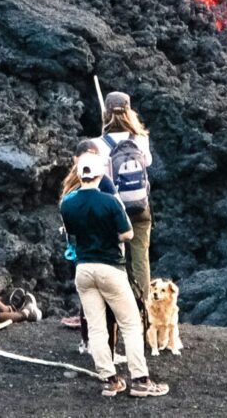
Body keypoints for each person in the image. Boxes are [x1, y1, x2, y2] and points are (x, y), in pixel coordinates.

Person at [62, 152, 168, 397]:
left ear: (79, 175)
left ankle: (110, 380)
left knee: (97, 327)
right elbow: (127, 234)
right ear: (100, 173)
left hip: (83, 270)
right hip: (110, 267)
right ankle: (140, 380)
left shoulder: (67, 202)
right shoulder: (111, 202)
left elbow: (71, 234)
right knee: (130, 324)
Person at [63, 90, 156, 330]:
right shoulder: (141, 139)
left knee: (115, 260)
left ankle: (113, 313)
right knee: (141, 259)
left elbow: (95, 173)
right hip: (141, 208)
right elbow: (147, 163)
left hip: (112, 210)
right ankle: (143, 309)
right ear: (129, 111)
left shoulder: (98, 144)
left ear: (106, 112)